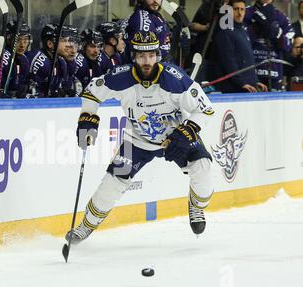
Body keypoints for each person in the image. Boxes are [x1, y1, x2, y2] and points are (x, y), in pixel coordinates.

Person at [66, 30, 214, 244]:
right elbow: (91, 93)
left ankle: (197, 206)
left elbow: (206, 110)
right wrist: (88, 117)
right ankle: (85, 226)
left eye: (152, 55)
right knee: (112, 183)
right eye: (142, 56)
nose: (147, 61)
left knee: (202, 169)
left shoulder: (175, 79)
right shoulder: (119, 77)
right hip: (137, 140)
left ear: (158, 55)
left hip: (177, 136)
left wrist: (187, 131)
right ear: (134, 56)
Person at [213, 0, 268, 93]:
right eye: (236, 9)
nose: (239, 13)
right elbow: (228, 61)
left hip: (248, 87)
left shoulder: (243, 31)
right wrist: (241, 83)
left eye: (242, 9)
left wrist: (255, 81)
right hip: (234, 89)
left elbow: (248, 61)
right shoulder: (225, 32)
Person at [244, 0, 295, 91]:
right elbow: (239, 40)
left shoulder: (281, 16)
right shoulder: (245, 12)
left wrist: (276, 33)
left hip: (275, 72)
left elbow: (288, 45)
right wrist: (256, 27)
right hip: (251, 72)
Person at [124, 0, 188, 64]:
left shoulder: (155, 14)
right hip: (156, 69)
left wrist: (174, 38)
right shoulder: (142, 19)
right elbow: (144, 58)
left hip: (163, 66)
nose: (155, 1)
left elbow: (160, 39)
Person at [26, 24, 68, 97]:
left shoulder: (61, 62)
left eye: (67, 41)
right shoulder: (40, 61)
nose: (68, 45)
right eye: (63, 41)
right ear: (50, 44)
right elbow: (31, 95)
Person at [0, 21, 32, 98]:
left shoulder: (24, 59)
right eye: (18, 40)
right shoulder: (3, 57)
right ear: (8, 40)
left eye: (25, 40)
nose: (22, 45)